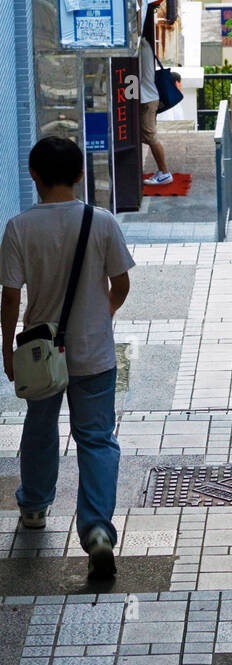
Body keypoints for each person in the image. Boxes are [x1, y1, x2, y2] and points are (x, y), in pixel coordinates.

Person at [0, 138, 134, 580]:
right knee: (96, 438)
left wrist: (8, 349)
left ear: (34, 176)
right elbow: (121, 285)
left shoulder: (19, 228)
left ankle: (35, 507)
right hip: (94, 353)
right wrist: (104, 315)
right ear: (79, 175)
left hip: (40, 355)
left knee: (40, 429)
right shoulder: (102, 222)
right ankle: (96, 530)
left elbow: (11, 298)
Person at [139, 0, 172, 186]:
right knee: (148, 135)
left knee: (151, 137)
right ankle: (162, 171)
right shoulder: (145, 46)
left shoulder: (141, 47)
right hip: (148, 96)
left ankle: (164, 172)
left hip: (146, 98)